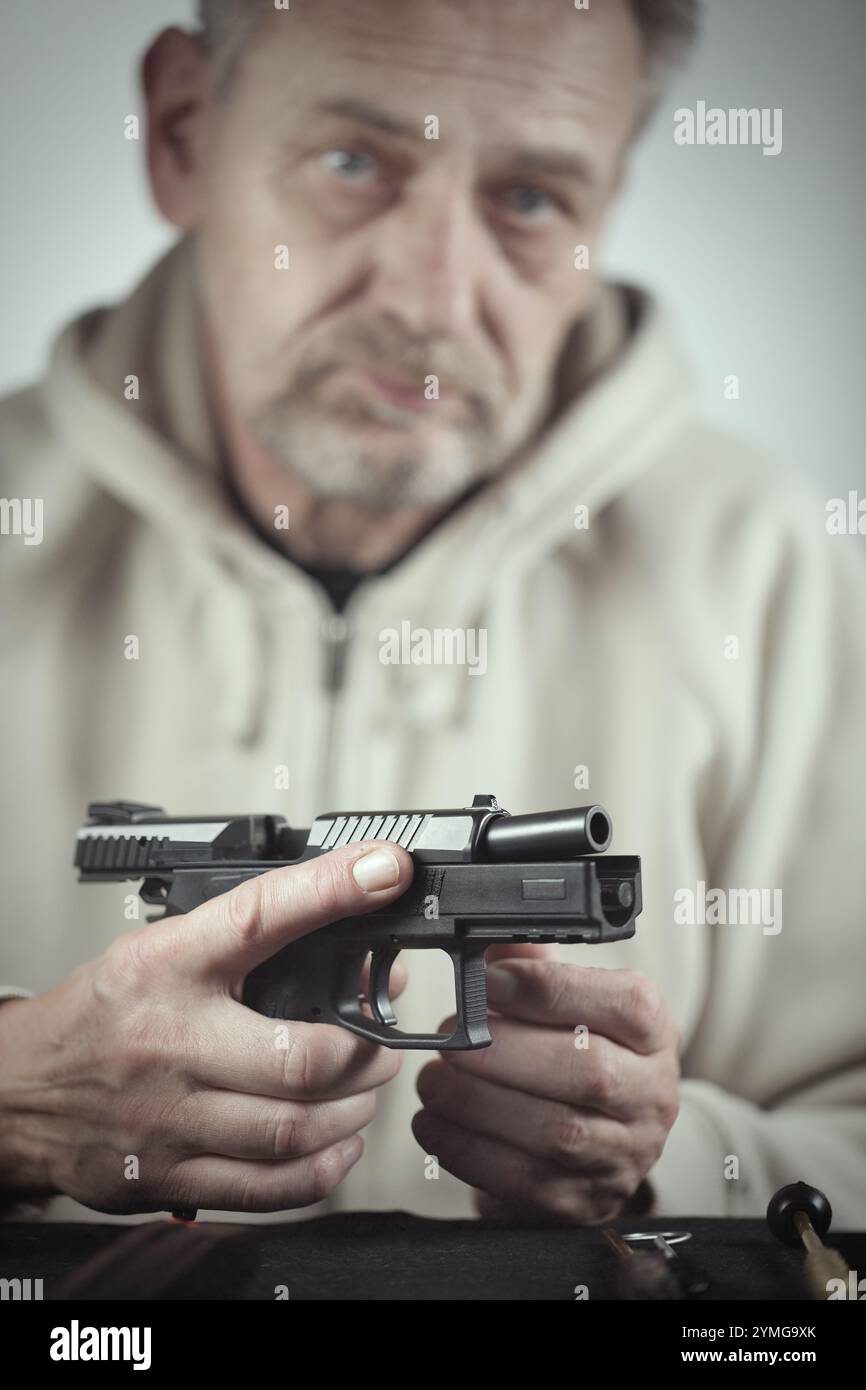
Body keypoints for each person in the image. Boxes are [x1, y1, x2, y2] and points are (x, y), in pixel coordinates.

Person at [1, 0, 864, 1231]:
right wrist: (16, 1106)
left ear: (607, 201)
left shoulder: (776, 565)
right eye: (353, 162)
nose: (432, 295)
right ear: (184, 134)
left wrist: (669, 1167)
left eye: (528, 198)